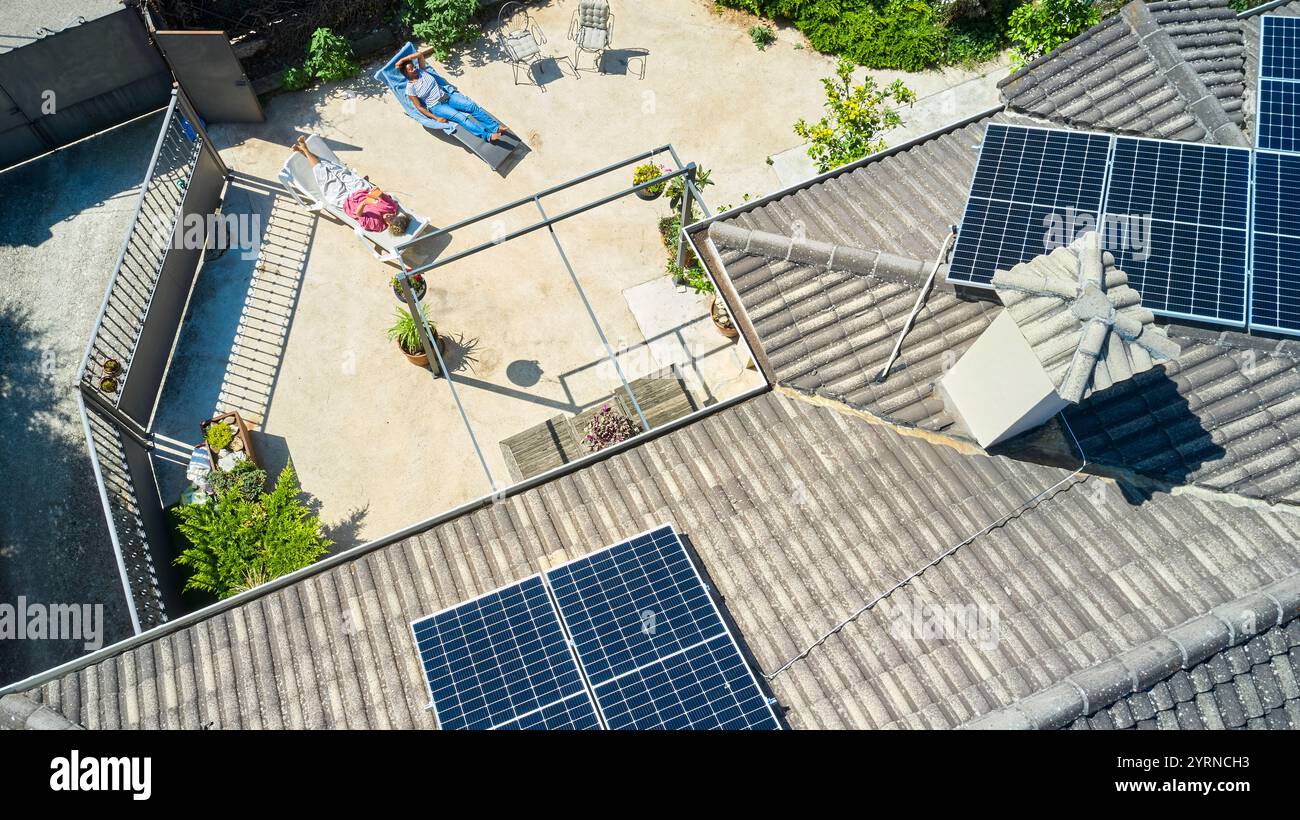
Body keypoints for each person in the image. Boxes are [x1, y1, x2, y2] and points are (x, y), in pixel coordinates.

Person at [291, 137, 410, 235]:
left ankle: (305, 150)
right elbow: (381, 195)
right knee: (334, 168)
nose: (390, 216)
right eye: (394, 216)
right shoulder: (391, 208)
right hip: (360, 190)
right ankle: (303, 151)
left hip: (345, 202)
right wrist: (377, 191)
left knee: (323, 174)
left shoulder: (377, 225)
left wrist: (364, 203)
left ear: (388, 225)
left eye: (390, 219)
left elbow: (358, 215)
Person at [397, 46, 508, 143]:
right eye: (411, 69)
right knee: (461, 118)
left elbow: (420, 55)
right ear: (406, 74)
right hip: (437, 106)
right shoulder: (410, 88)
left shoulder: (422, 71)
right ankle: (488, 136)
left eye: (414, 66)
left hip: (447, 96)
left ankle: (496, 128)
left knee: (471, 106)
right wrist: (436, 118)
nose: (415, 68)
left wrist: (404, 59)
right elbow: (420, 107)